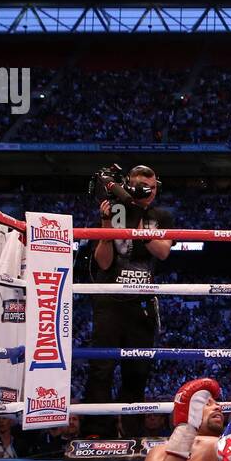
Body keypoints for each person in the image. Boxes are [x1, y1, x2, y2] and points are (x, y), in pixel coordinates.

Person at [85, 165, 174, 438]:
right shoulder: (115, 211)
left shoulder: (161, 216)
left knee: (137, 369)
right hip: (110, 301)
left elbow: (163, 252)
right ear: (129, 186)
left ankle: (132, 433)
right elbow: (103, 262)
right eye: (142, 187)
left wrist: (138, 223)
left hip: (141, 303)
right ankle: (96, 434)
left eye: (152, 187)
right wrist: (106, 225)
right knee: (101, 368)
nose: (148, 192)